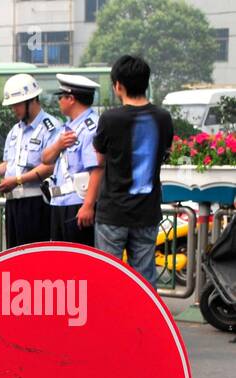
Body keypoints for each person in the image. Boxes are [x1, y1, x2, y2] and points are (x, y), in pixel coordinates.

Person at [91, 55, 174, 283]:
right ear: (146, 83)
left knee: (108, 278)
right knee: (145, 279)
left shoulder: (109, 118)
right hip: (147, 211)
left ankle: (110, 319)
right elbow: (166, 151)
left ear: (119, 85)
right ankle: (145, 319)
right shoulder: (163, 118)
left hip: (113, 212)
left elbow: (99, 158)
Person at [0, 73, 60, 249]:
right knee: (14, 257)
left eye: (17, 104)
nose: (14, 109)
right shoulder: (15, 131)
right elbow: (11, 163)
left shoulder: (50, 128)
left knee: (35, 259)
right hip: (13, 204)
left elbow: (50, 167)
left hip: (37, 203)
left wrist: (18, 180)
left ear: (32, 100)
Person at [41, 73, 102, 246]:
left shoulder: (91, 127)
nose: (59, 101)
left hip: (78, 204)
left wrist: (88, 205)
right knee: (60, 264)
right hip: (59, 202)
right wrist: (58, 145)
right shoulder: (66, 127)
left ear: (71, 99)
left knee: (79, 264)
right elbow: (45, 158)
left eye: (61, 97)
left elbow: (96, 168)